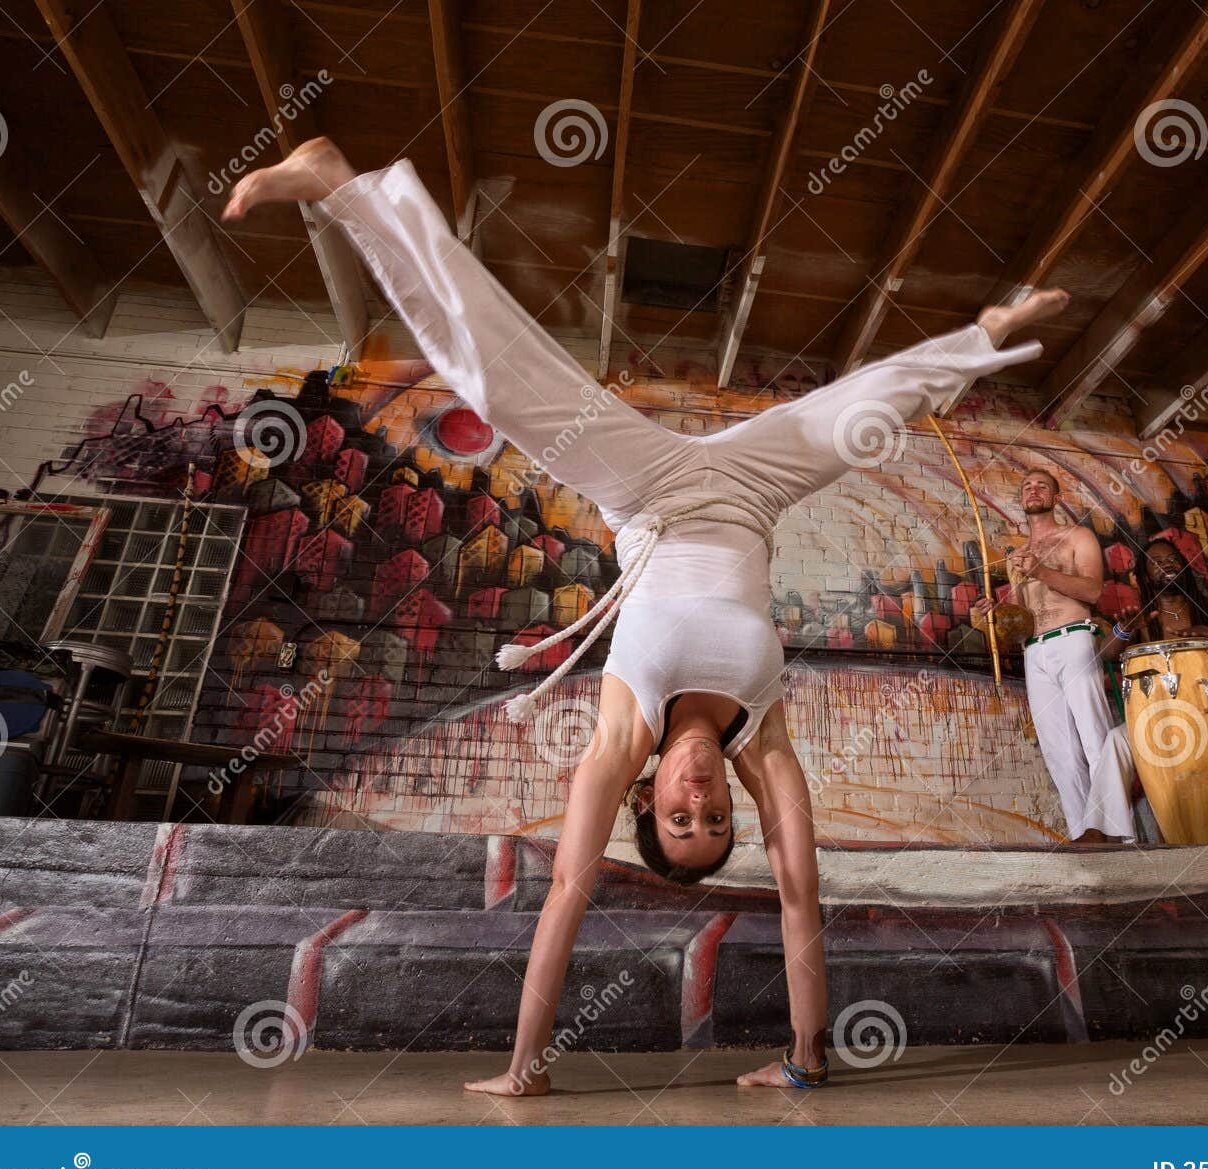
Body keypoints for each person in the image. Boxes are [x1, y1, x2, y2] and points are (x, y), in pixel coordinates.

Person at [222, 138, 1069, 1093]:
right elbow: (800, 900)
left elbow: (565, 899)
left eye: (678, 813)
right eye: (715, 815)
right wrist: (804, 1061)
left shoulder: (622, 734)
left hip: (646, 490)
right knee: (864, 417)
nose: (698, 792)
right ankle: (986, 332)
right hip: (751, 489)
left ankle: (341, 187)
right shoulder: (765, 744)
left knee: (496, 382)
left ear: (645, 796)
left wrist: (526, 1068)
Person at [1085, 539, 1208, 840]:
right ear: (1143, 576)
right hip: (1163, 714)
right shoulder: (1144, 618)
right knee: (1117, 739)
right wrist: (1125, 628)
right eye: (1155, 562)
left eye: (1172, 558)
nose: (1166, 563)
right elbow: (1106, 654)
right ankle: (1099, 831)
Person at [996, 471, 1112, 842]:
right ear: (1022, 498)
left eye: (1042, 485)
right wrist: (992, 616)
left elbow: (1093, 591)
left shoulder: (1078, 536)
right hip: (1035, 650)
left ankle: (1115, 830)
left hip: (1073, 637)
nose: (1033, 489)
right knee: (1059, 749)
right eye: (1027, 486)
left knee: (1095, 737)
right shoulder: (1016, 556)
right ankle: (1084, 832)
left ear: (1056, 497)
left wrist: (1041, 570)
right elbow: (1020, 622)